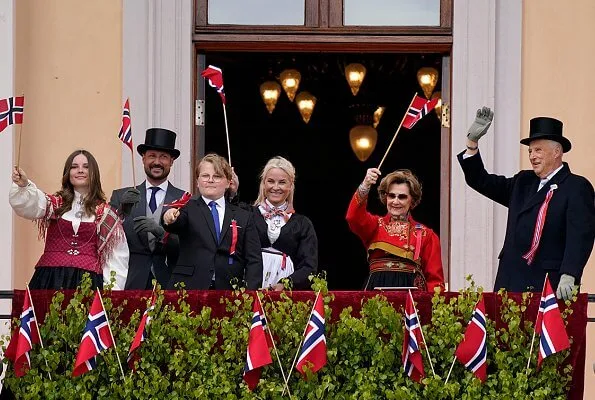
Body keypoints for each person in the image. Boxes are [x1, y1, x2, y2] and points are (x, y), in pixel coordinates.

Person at [458, 107, 595, 299]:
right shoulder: (523, 181)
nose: (532, 156)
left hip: (548, 284)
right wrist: (472, 143)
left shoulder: (576, 187)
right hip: (510, 281)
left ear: (557, 152)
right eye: (530, 151)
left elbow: (580, 236)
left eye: (538, 150)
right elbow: (481, 181)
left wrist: (570, 273)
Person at [9, 150, 129, 290]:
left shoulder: (105, 214)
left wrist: (111, 294)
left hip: (87, 284)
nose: (80, 170)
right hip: (49, 280)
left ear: (94, 173)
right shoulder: (54, 205)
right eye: (74, 167)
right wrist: (24, 185)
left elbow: (116, 258)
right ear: (68, 173)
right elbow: (30, 203)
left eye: (86, 166)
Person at [162, 153, 263, 290]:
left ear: (228, 182)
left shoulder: (244, 216)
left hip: (230, 291)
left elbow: (254, 260)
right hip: (189, 289)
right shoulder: (187, 208)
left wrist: (251, 294)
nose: (210, 180)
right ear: (197, 182)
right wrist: (168, 217)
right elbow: (175, 222)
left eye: (217, 176)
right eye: (205, 176)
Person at [110, 128, 186, 289]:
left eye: (163, 157)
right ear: (143, 159)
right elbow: (108, 239)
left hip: (169, 283)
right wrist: (121, 212)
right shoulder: (120, 197)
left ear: (172, 161)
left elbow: (190, 246)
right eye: (152, 156)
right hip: (130, 281)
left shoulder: (185, 199)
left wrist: (163, 234)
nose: (157, 162)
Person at [346, 168, 444, 291]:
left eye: (402, 197)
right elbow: (353, 217)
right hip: (375, 295)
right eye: (391, 196)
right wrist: (365, 185)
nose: (395, 201)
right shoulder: (375, 225)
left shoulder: (427, 235)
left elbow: (435, 281)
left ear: (412, 200)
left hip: (411, 299)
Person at [238, 156, 318, 290]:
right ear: (263, 183)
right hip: (248, 288)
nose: (276, 187)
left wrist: (286, 284)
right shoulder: (246, 213)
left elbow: (309, 267)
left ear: (290, 185)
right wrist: (231, 191)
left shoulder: (303, 224)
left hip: (285, 294)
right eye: (270, 181)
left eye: (282, 182)